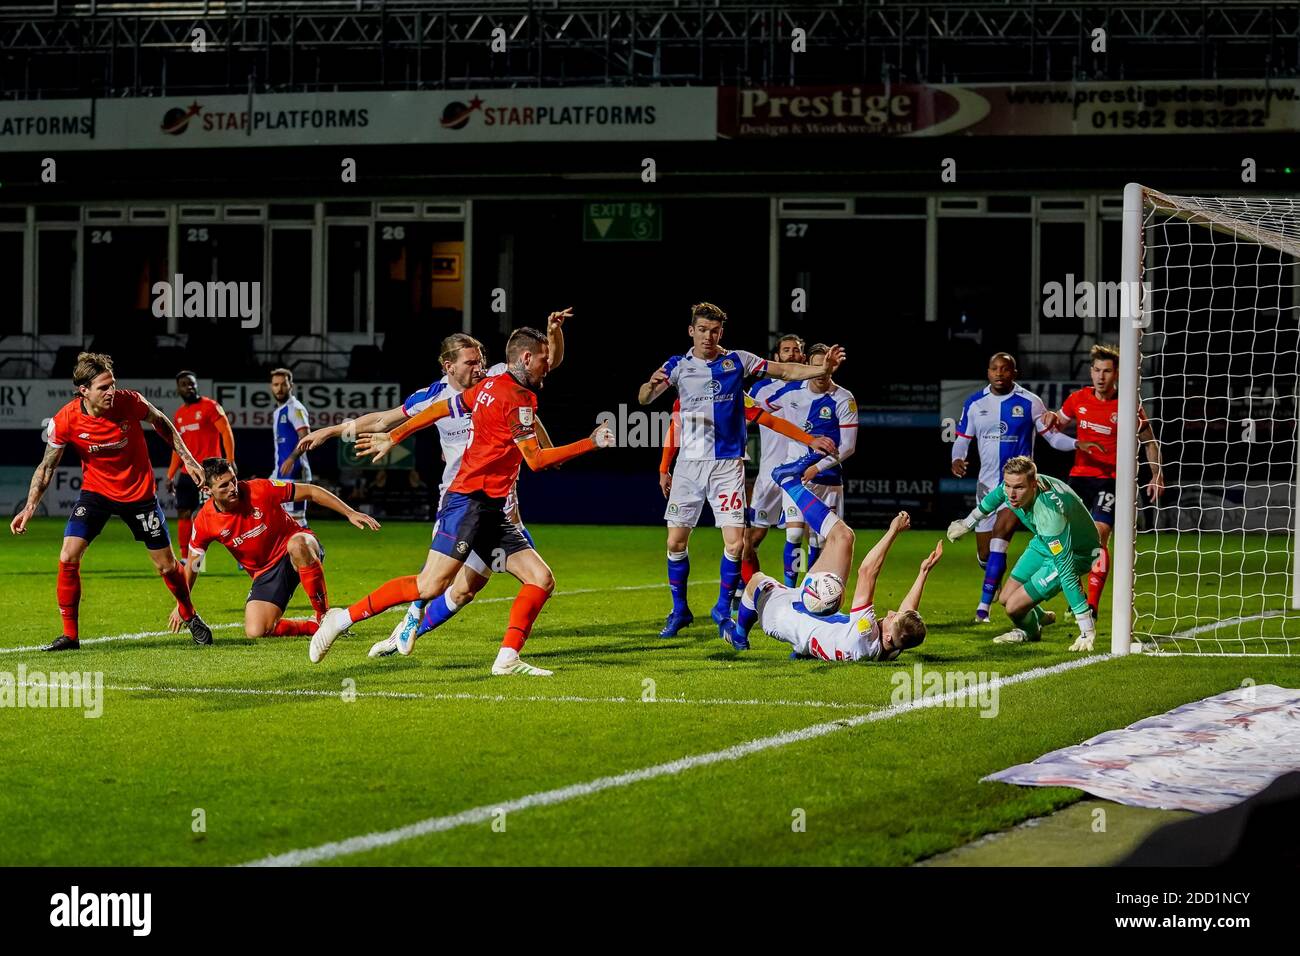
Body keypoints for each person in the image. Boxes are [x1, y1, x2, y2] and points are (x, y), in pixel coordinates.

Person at [307, 325, 613, 676]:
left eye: (481, 360)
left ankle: (507, 658)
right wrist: (590, 442)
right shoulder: (506, 396)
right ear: (448, 365)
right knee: (430, 584)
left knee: (538, 579)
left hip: (494, 506)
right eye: (470, 361)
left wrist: (555, 334)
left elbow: (446, 410)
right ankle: (341, 619)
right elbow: (536, 460)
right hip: (466, 500)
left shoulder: (490, 383)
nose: (478, 367)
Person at [637, 302, 844, 638]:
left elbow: (785, 372)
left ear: (722, 332)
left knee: (735, 544)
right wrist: (650, 384)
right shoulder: (677, 366)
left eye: (714, 330)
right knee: (675, 543)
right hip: (688, 467)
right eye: (702, 330)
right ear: (691, 331)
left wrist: (822, 372)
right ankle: (679, 610)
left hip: (727, 466)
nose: (708, 336)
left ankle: (722, 608)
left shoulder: (738, 362)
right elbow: (645, 399)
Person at [9, 352, 213, 650]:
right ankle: (70, 636)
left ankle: (189, 613)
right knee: (68, 556)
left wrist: (189, 459)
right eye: (103, 387)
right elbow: (47, 466)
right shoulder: (65, 420)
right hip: (96, 494)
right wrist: (29, 508)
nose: (111, 392)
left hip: (139, 495)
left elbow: (161, 422)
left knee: (167, 566)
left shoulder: (129, 402)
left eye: (112, 384)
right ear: (84, 391)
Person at [722, 452, 940, 662]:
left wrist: (893, 531)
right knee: (843, 538)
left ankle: (739, 636)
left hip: (784, 618)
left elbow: (867, 572)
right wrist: (923, 573)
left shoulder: (863, 636)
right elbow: (906, 615)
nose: (892, 612)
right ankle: (803, 650)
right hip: (814, 614)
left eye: (893, 617)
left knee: (756, 581)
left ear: (888, 637)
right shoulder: (893, 647)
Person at [169, 458, 380, 639]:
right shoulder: (205, 521)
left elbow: (311, 492)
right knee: (256, 630)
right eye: (224, 485)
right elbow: (195, 563)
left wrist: (350, 512)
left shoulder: (258, 489)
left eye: (233, 480)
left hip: (298, 546)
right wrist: (183, 604)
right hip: (264, 572)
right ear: (207, 490)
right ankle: (314, 627)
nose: (233, 487)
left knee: (297, 545)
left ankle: (324, 616)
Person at [1040, 344, 1165, 618]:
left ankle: (1092, 605)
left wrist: (1157, 475)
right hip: (1078, 479)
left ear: (1117, 373)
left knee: (1099, 537)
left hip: (1110, 481)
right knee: (1068, 541)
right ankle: (1078, 593)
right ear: (1091, 371)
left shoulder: (1128, 405)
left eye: (1107, 371)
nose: (1101, 376)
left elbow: (1149, 442)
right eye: (1097, 370)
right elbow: (1056, 425)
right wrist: (1049, 417)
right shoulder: (1078, 399)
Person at [950, 352, 1076, 622]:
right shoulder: (974, 403)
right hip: (986, 486)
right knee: (986, 554)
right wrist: (956, 459)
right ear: (988, 372)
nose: (999, 373)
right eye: (994, 368)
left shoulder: (1030, 402)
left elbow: (1052, 439)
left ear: (1014, 373)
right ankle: (1019, 598)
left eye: (1005, 369)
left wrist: (1077, 444)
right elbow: (962, 439)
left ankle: (982, 609)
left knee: (1000, 537)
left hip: (1018, 489)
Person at [947, 455, 1102, 651]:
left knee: (1013, 607)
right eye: (1008, 485)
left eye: (1019, 488)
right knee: (1005, 598)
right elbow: (993, 499)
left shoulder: (1049, 514)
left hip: (1077, 552)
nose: (1011, 494)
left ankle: (1031, 631)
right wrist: (966, 524)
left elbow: (1067, 573)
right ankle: (1040, 617)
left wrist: (1087, 629)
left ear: (1034, 485)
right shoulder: (1015, 486)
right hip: (1043, 541)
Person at [166, 370, 235, 571]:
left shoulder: (210, 406)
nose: (189, 387)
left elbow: (226, 432)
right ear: (178, 388)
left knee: (219, 515)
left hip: (210, 473)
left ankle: (244, 552)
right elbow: (179, 449)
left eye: (192, 383)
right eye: (184, 384)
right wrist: (171, 474)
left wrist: (230, 460)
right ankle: (188, 560)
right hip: (189, 474)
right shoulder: (179, 416)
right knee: (183, 513)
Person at [270, 367, 312, 525]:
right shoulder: (279, 411)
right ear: (271, 386)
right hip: (280, 472)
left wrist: (292, 459)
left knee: (296, 520)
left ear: (291, 385)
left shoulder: (295, 408)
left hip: (294, 472)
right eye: (276, 384)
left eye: (283, 384)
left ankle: (314, 549)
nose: (279, 388)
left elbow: (306, 437)